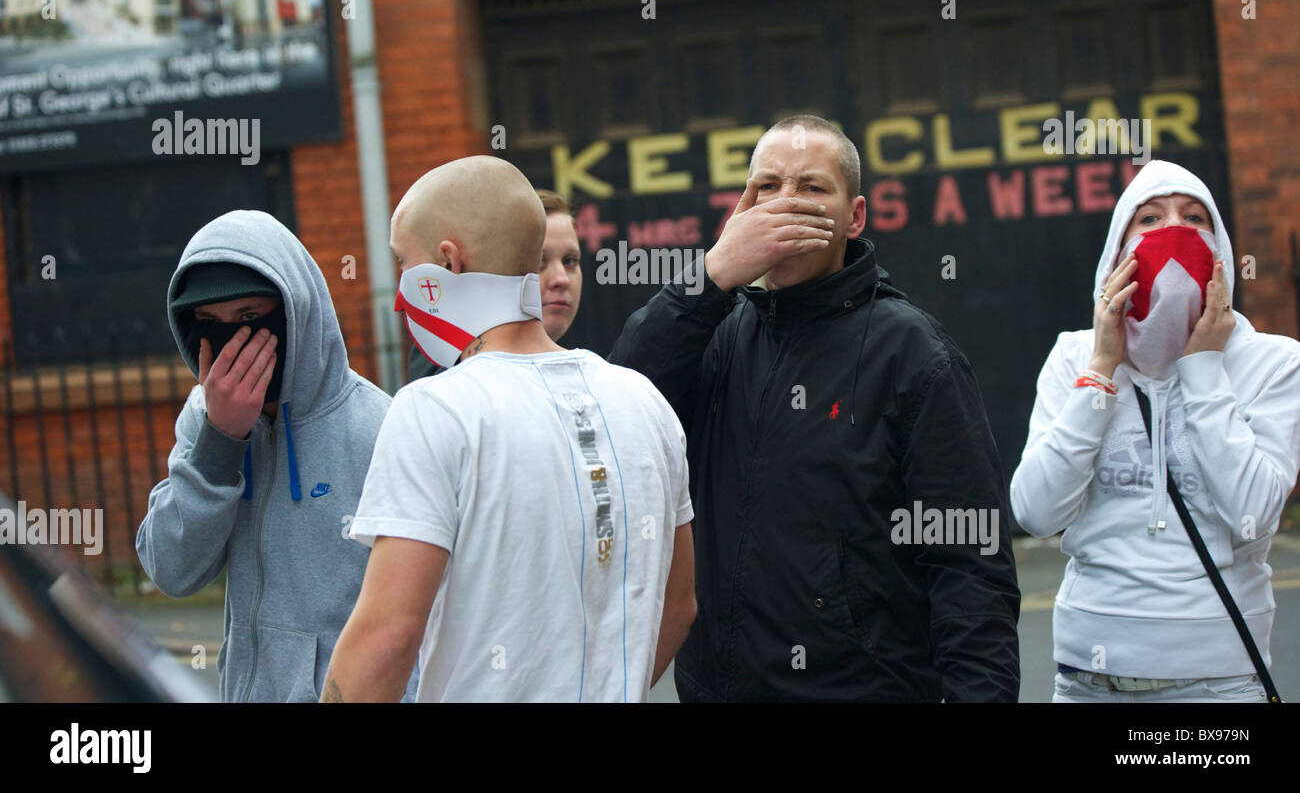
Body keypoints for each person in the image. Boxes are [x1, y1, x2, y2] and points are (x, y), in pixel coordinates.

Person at [609, 115, 1021, 702]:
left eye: (810, 187)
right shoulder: (714, 333)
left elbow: (971, 567)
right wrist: (713, 275)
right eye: (767, 186)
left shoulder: (911, 353)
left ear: (854, 217)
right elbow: (622, 398)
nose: (785, 203)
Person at [322, 156, 694, 702]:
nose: (400, 296)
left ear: (447, 265)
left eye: (405, 265)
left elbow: (387, 637)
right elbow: (679, 603)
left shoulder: (433, 409)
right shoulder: (645, 400)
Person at [1011, 159, 1300, 703]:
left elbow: (1256, 511)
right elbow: (1035, 511)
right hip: (1086, 679)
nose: (1173, 230)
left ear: (1220, 251)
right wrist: (1100, 369)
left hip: (1218, 685)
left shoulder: (1272, 363)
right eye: (1148, 218)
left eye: (1195, 217)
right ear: (1116, 254)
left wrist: (1205, 370)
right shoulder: (1073, 355)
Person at [136, 210, 416, 702]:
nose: (235, 343)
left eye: (250, 319)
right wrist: (220, 442)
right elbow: (171, 570)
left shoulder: (382, 429)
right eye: (210, 324)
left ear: (295, 311)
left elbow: (415, 620)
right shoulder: (203, 419)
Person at [406, 188, 582, 382]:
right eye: (537, 261)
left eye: (570, 261)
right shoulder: (443, 365)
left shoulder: (592, 373)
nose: (561, 279)